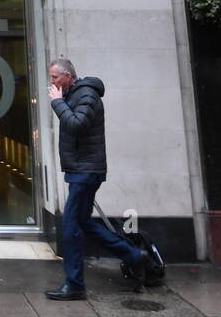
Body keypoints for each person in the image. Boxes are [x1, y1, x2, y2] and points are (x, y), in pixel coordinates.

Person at [46, 57, 151, 301]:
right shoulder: (77, 94)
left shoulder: (86, 95)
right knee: (84, 222)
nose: (51, 82)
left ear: (68, 77)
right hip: (81, 170)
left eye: (54, 77)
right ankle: (134, 256)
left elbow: (76, 124)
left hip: (86, 171)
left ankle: (75, 285)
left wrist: (57, 103)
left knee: (71, 227)